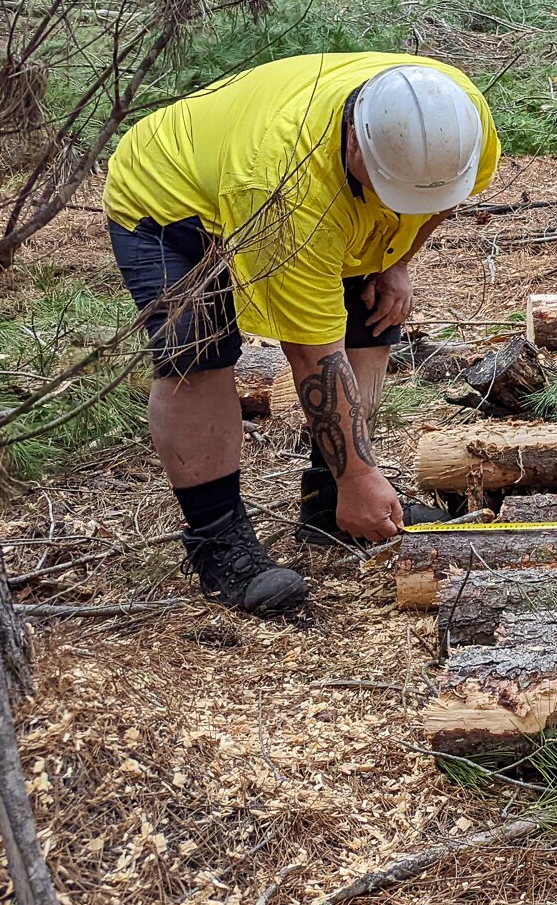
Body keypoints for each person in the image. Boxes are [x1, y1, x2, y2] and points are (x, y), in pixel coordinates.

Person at [104, 54, 501, 614]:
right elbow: (313, 355)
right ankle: (219, 542)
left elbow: (441, 198)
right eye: (394, 192)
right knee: (199, 350)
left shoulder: (459, 118)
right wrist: (362, 473)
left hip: (301, 182)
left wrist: (396, 262)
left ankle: (328, 503)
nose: (405, 206)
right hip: (171, 200)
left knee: (369, 318)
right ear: (357, 146)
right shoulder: (285, 190)